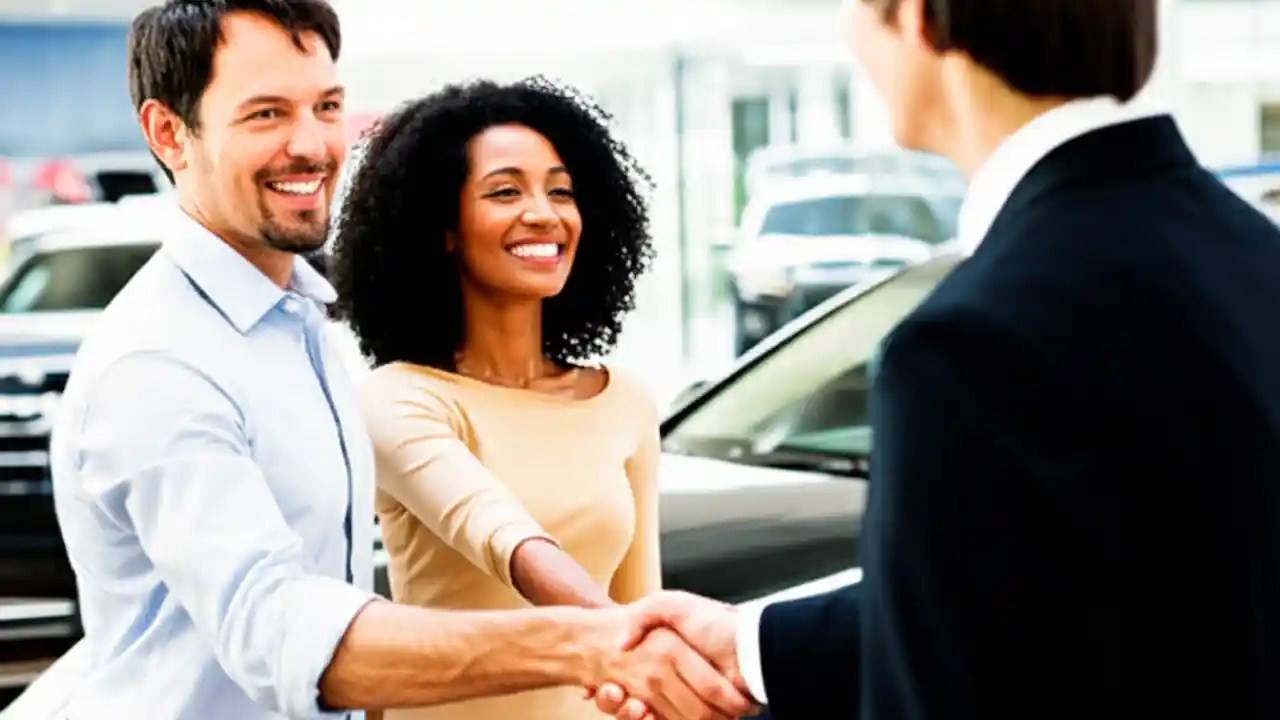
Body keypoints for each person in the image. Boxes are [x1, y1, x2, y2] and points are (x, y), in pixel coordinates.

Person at [46, 2, 754, 719]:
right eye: (265, 114)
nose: (313, 145)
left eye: (325, 107)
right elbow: (279, 630)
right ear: (169, 133)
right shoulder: (159, 365)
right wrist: (592, 645)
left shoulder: (298, 327)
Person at [603, 0, 1280, 718]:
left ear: (919, 18)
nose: (851, 35)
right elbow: (1070, 592)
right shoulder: (1251, 255)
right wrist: (754, 645)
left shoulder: (970, 342)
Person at [328, 77, 689, 720]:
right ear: (442, 228)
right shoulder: (400, 399)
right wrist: (634, 644)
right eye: (505, 191)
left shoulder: (625, 403)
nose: (544, 214)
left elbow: (641, 598)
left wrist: (653, 667)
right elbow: (504, 537)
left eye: (561, 191)